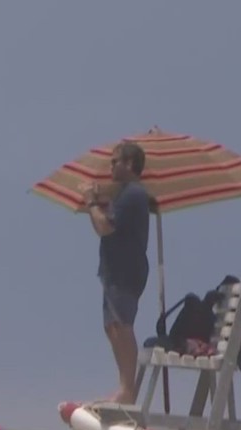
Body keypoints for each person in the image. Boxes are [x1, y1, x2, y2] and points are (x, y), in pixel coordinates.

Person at [83, 141, 152, 405]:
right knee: (112, 327)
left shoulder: (134, 193)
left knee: (122, 326)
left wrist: (91, 202)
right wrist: (101, 201)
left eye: (115, 161)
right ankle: (124, 387)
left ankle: (127, 390)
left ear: (129, 164)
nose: (111, 166)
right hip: (115, 271)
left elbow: (104, 227)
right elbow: (111, 218)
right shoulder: (125, 195)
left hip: (125, 271)